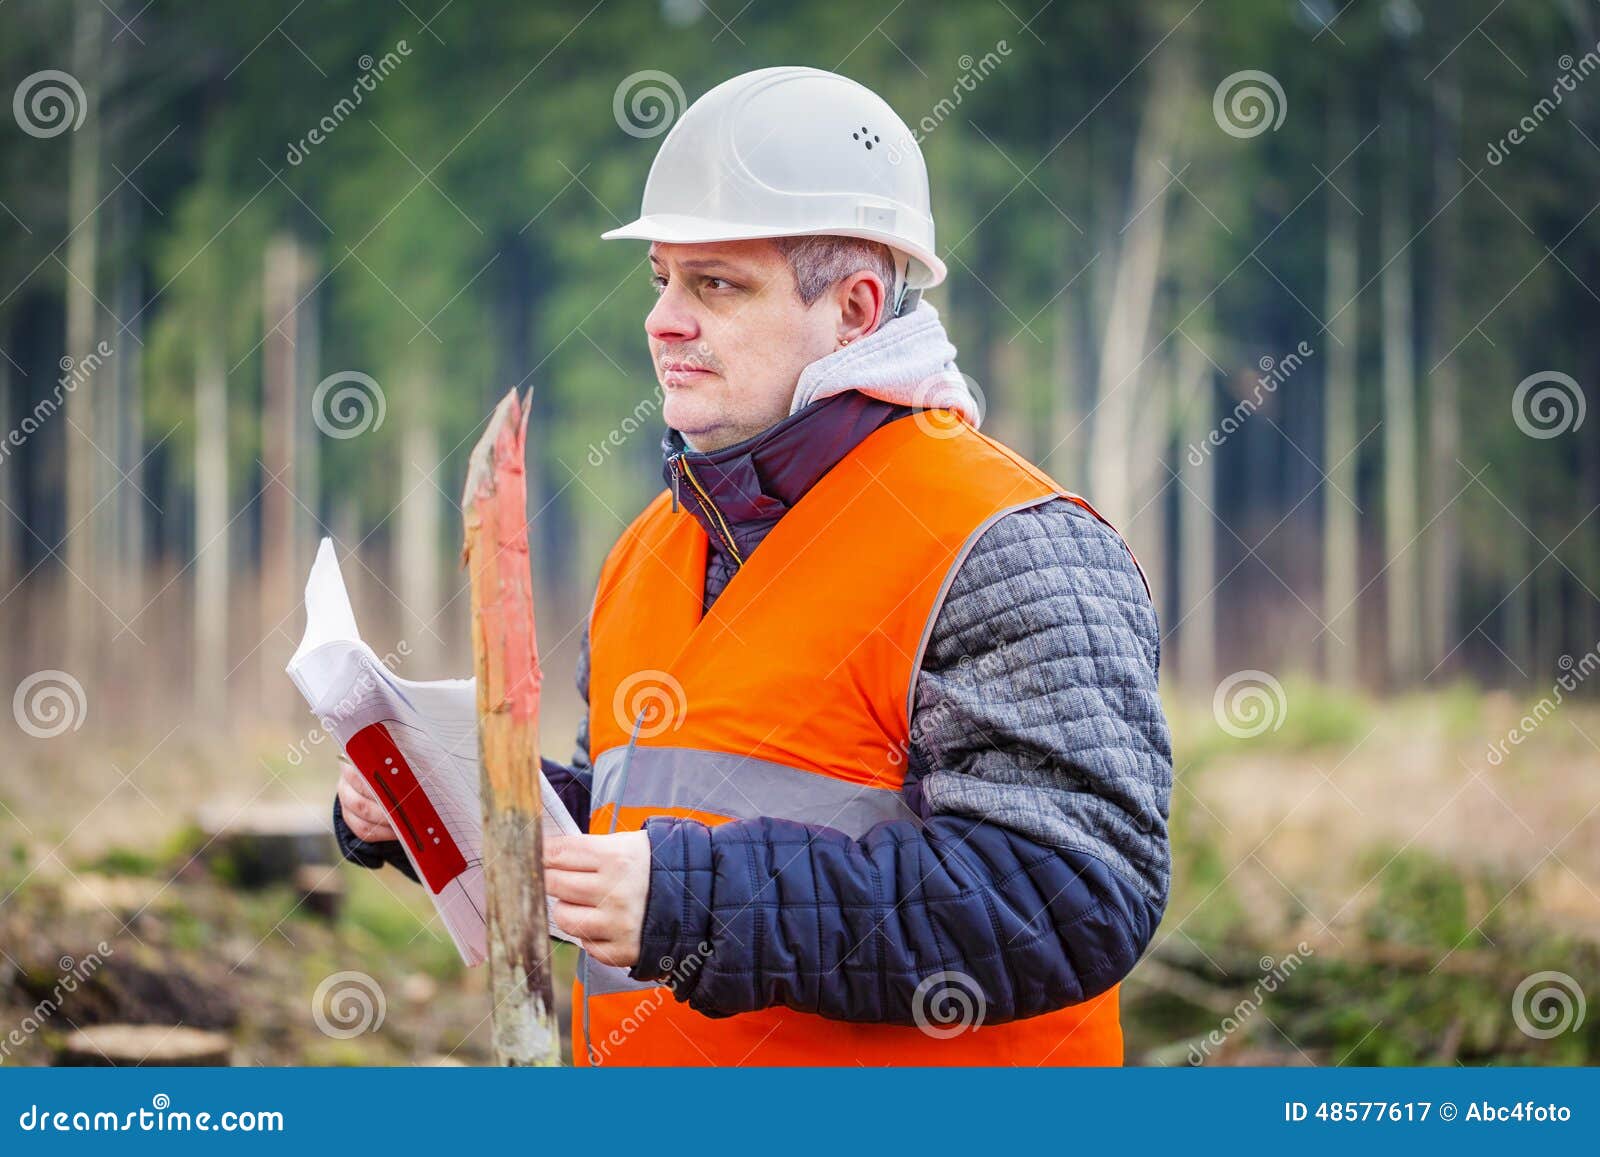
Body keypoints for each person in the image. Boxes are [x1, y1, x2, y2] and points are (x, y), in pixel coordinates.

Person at [334, 65, 1173, 1066]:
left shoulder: (1010, 545)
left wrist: (690, 897)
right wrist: (435, 800)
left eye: (717, 285)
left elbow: (1066, 895)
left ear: (856, 307)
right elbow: (643, 819)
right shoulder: (651, 549)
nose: (663, 321)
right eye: (663, 281)